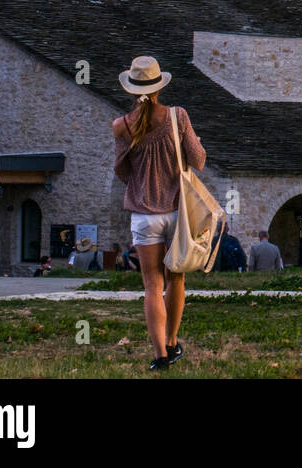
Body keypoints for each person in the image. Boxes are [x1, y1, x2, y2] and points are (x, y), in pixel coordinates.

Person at [113, 56, 207, 372]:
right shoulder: (178, 117)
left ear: (132, 89)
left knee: (151, 286)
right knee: (175, 279)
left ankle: (159, 356)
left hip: (143, 214)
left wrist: (142, 180)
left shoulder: (122, 126)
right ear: (158, 87)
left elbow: (121, 170)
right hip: (178, 212)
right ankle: (172, 340)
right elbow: (198, 159)